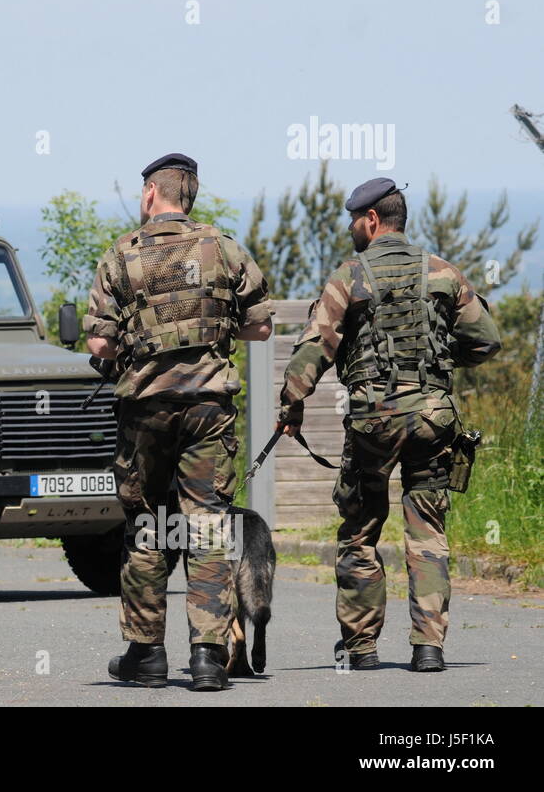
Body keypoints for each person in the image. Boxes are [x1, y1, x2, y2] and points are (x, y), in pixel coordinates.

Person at [278, 177, 501, 672]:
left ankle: (361, 648)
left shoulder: (350, 277)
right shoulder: (443, 272)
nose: (350, 229)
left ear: (372, 219)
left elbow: (315, 348)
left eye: (353, 220)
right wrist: (435, 364)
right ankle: (428, 647)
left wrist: (291, 407)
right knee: (427, 529)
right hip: (432, 417)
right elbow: (486, 342)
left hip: (374, 421)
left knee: (360, 530)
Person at [85, 153, 273, 691]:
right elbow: (260, 328)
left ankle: (145, 655)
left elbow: (99, 341)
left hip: (145, 408)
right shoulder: (225, 247)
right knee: (209, 525)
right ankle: (209, 657)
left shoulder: (122, 253)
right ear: (190, 196)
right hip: (209, 408)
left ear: (151, 193)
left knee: (146, 525)